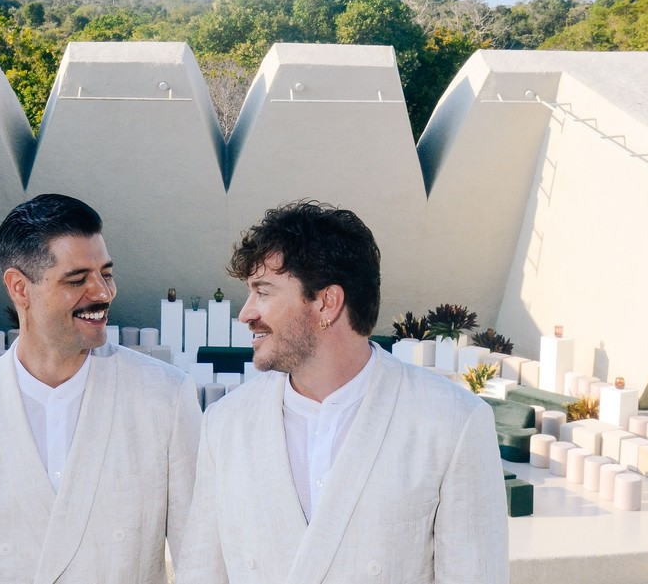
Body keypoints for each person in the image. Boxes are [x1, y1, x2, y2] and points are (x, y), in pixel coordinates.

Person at [177, 200, 508, 584]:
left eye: (263, 292)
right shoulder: (225, 424)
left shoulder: (452, 422)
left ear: (326, 303)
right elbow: (200, 574)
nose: (246, 313)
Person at [0, 193, 202, 583]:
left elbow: (201, 561)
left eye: (106, 273)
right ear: (19, 288)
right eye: (77, 279)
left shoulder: (165, 397)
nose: (102, 292)